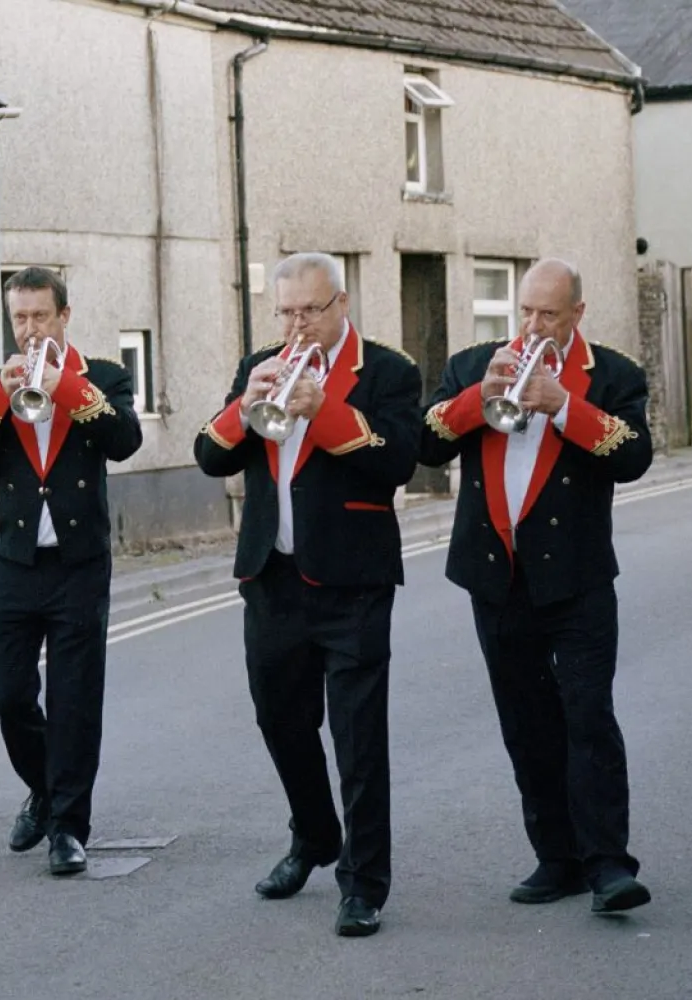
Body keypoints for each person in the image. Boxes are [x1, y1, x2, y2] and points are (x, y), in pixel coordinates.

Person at [416, 259, 657, 916]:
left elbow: (633, 455)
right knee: (526, 724)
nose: (533, 325)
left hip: (575, 577)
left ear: (577, 314)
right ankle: (557, 859)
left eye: (548, 314)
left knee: (588, 718)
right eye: (525, 311)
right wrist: (475, 400)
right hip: (496, 576)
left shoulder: (611, 375)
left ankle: (608, 863)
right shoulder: (474, 364)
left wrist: (563, 406)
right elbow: (424, 442)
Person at [193, 252, 422, 937]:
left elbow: (396, 461)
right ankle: (315, 836)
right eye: (287, 312)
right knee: (279, 720)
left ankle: (363, 884)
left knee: (357, 738)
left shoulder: (387, 371)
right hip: (273, 577)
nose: (297, 326)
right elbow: (212, 457)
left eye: (310, 311)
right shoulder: (260, 363)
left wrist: (324, 410)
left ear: (341, 304)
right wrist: (244, 404)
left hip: (353, 577)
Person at [0, 267, 142, 878]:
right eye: (20, 319)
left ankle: (68, 827)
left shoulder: (105, 378)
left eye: (40, 317)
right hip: (15, 563)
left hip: (79, 564)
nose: (29, 331)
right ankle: (43, 787)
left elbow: (125, 441)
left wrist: (65, 389)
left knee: (75, 700)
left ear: (64, 316)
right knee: (7, 692)